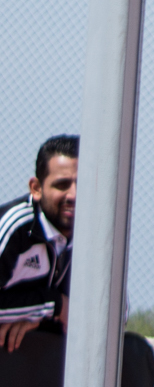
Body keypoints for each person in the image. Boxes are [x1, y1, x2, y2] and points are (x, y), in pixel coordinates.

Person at [1, 135, 77, 352]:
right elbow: (63, 309)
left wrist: (37, 318)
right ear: (36, 188)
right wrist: (55, 305)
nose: (74, 195)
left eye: (84, 183)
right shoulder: (16, 226)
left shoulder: (98, 237)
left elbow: (119, 314)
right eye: (62, 185)